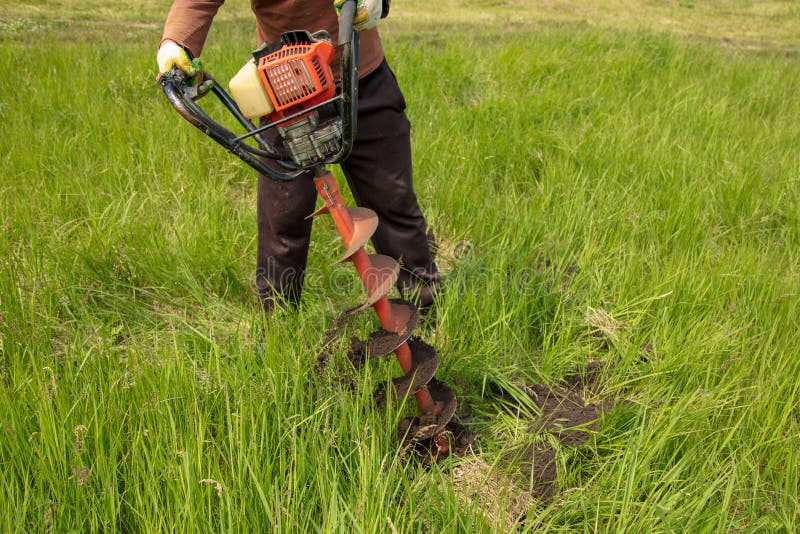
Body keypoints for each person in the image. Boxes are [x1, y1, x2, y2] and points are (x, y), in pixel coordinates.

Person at [157, 0, 439, 313]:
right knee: (284, 222)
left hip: (361, 77)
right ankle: (279, 328)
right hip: (287, 91)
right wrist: (175, 43)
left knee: (393, 203)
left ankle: (424, 310)